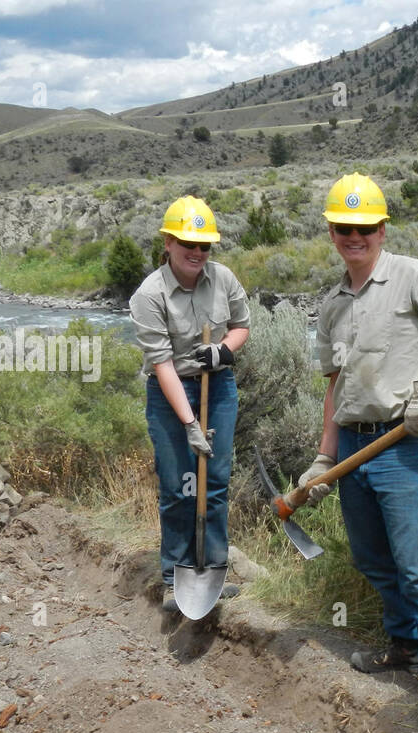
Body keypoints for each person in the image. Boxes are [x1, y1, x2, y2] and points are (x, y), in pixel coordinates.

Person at [299, 173, 418, 723]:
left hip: (403, 445)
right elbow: (335, 386)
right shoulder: (332, 304)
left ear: (382, 230)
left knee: (417, 565)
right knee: (373, 559)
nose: (355, 236)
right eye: (344, 228)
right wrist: (323, 456)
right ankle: (403, 647)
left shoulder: (417, 278)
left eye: (366, 228)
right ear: (332, 233)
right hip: (354, 447)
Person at [129, 195, 250, 612]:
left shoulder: (224, 279)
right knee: (179, 486)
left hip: (217, 390)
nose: (197, 253)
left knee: (214, 483)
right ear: (168, 242)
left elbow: (241, 327)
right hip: (170, 395)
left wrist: (223, 352)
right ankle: (173, 577)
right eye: (188, 245)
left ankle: (214, 569)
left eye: (205, 246)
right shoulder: (150, 294)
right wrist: (188, 424)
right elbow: (162, 365)